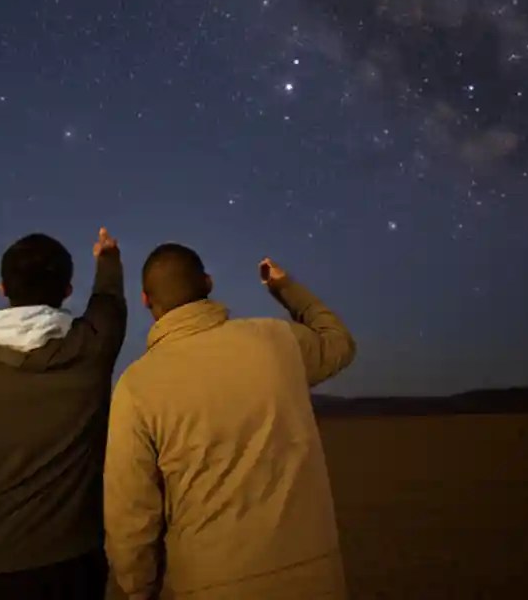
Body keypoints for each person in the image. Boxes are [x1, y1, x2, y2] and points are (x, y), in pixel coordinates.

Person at [104, 244, 357, 599]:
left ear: (146, 300)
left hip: (209, 582)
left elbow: (130, 513)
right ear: (207, 283)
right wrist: (285, 288)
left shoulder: (136, 386)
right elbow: (338, 342)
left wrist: (139, 588)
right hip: (314, 576)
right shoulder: (278, 341)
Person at [0, 228, 128, 600]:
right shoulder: (92, 350)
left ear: (2, 289)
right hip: (75, 561)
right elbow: (109, 303)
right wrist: (108, 260)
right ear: (68, 290)